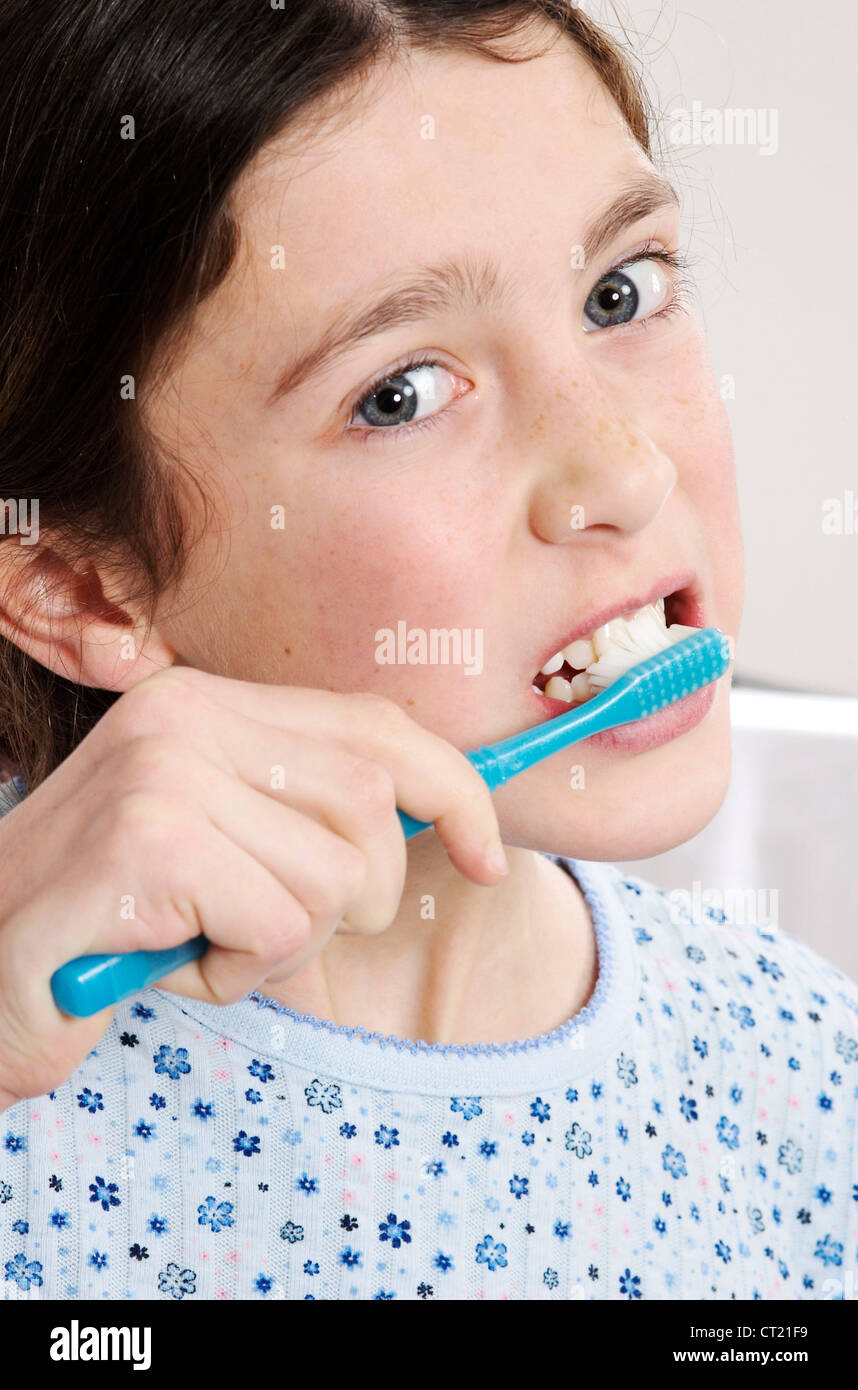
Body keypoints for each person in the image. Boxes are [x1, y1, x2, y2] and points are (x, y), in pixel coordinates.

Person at [0, 0, 854, 1302]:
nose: (621, 468)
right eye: (401, 392)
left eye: (618, 293)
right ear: (82, 586)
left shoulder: (811, 1081)